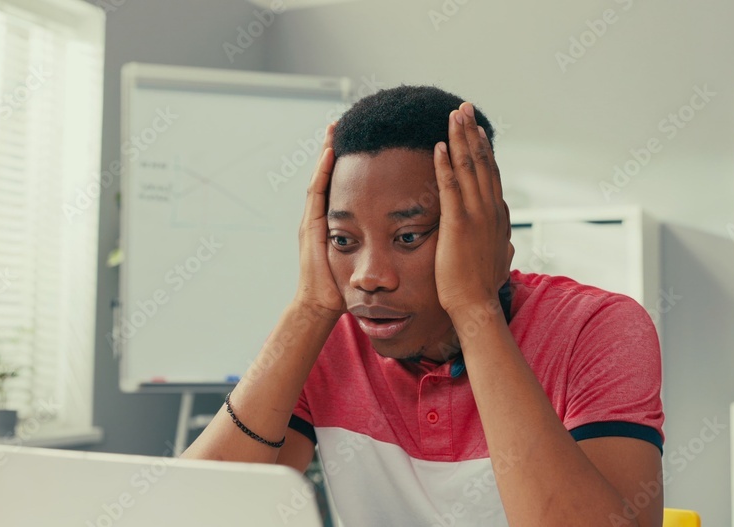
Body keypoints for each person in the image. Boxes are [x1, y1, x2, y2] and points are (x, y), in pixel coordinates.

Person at [182, 85, 664, 527]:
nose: (368, 276)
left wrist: (476, 311)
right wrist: (308, 308)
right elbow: (191, 514)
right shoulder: (327, 338)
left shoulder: (598, 329)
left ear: (486, 227)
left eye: (408, 236)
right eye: (342, 239)